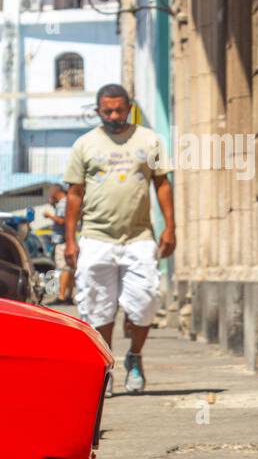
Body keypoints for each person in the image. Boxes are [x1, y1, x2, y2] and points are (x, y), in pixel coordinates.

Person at [63, 84, 175, 394]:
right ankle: (106, 367)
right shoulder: (84, 145)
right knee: (97, 306)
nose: (114, 116)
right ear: (98, 111)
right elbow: (74, 193)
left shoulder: (150, 141)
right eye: (107, 111)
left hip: (139, 237)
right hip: (96, 238)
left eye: (119, 110)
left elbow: (162, 184)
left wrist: (170, 227)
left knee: (145, 302)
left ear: (129, 108)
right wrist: (70, 240)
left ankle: (135, 358)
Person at [43, 183, 74, 304]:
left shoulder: (63, 203)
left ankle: (61, 297)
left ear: (56, 191)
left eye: (51, 191)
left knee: (63, 268)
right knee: (69, 269)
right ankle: (68, 296)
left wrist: (50, 215)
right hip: (66, 240)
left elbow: (63, 220)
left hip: (62, 241)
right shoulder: (65, 202)